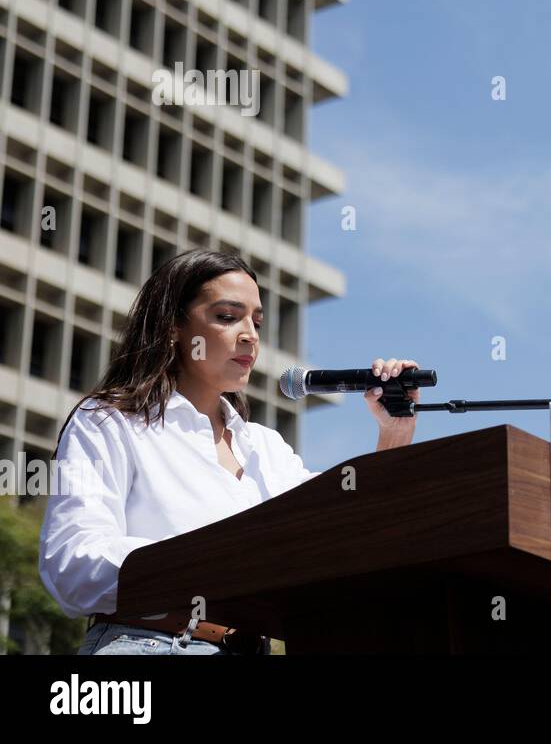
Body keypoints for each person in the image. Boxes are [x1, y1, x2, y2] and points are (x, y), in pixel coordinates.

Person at [38, 248, 422, 655]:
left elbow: (342, 529)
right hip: (150, 643)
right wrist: (217, 561)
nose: (250, 335)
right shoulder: (110, 421)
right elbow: (72, 563)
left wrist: (392, 433)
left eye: (256, 322)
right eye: (227, 317)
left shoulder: (267, 449)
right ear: (173, 327)